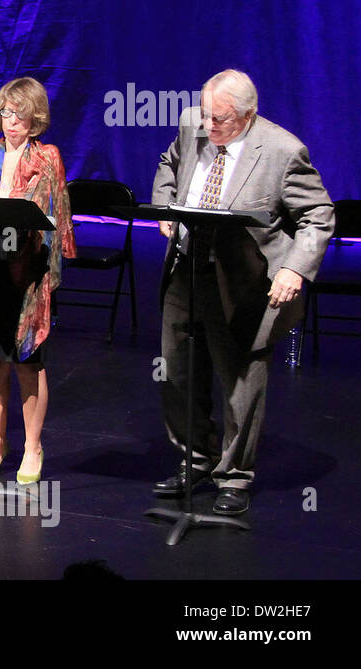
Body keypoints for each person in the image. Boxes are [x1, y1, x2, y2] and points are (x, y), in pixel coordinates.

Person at [152, 69, 333, 515]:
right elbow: (169, 162)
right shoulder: (193, 125)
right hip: (188, 270)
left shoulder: (283, 151)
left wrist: (294, 268)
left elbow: (318, 214)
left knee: (240, 384)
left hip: (243, 280)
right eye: (207, 116)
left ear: (248, 116)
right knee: (177, 373)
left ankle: (234, 476)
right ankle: (195, 458)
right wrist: (165, 206)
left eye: (221, 120)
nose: (209, 127)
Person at [0, 77, 76, 485]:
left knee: (27, 363)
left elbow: (52, 216)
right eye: (7, 113)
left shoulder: (47, 157)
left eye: (21, 115)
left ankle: (32, 446)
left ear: (35, 119)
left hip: (28, 271)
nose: (12, 122)